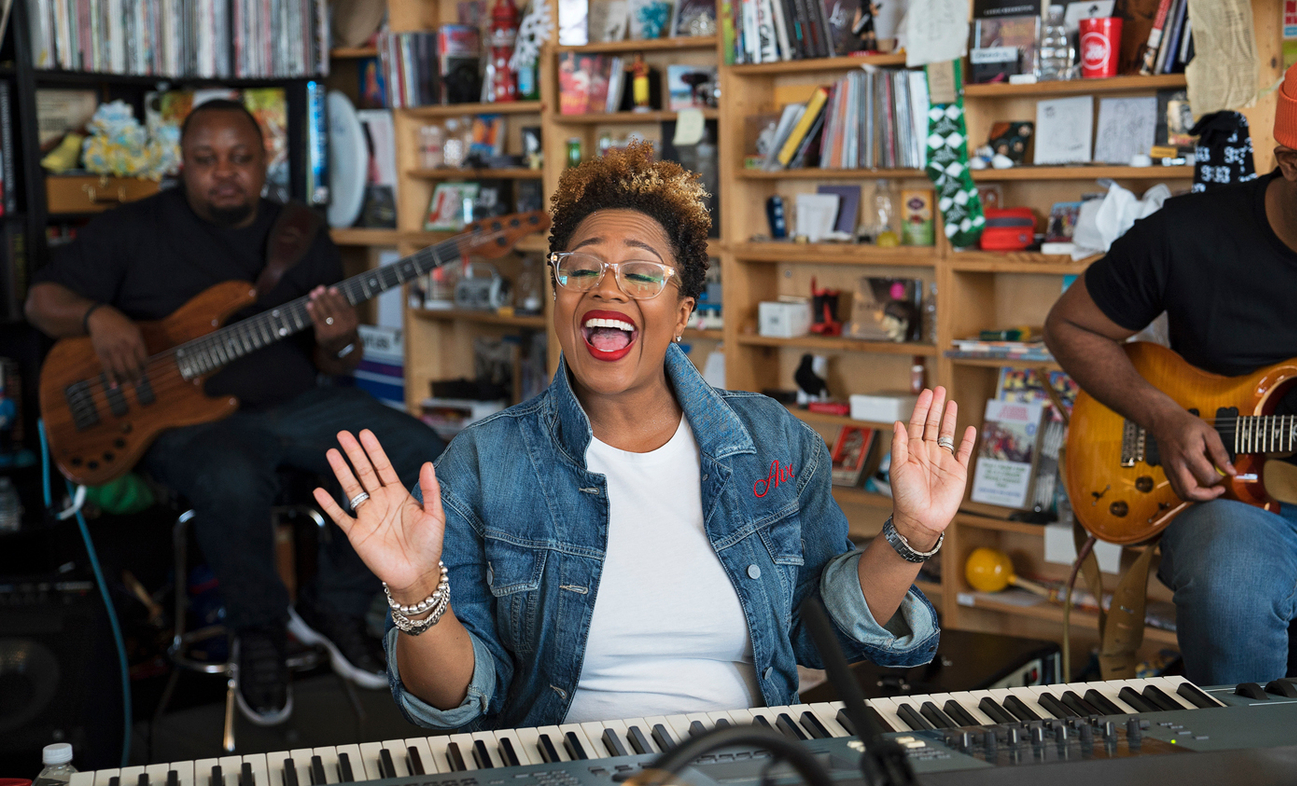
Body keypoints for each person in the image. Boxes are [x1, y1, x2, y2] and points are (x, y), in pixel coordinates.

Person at [316, 142, 976, 730]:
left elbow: (821, 635)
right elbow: (459, 699)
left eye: (640, 271)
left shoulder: (774, 443)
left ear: (682, 313)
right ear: (558, 294)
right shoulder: (484, 464)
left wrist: (913, 534)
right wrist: (414, 595)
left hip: (748, 767)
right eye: (581, 268)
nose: (608, 286)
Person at [24, 99, 445, 725]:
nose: (224, 172)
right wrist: (97, 316)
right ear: (181, 163)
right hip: (189, 425)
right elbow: (40, 301)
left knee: (420, 451)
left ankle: (335, 603)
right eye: (206, 160)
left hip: (301, 404)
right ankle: (258, 634)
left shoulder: (298, 233)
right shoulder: (134, 229)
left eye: (240, 159)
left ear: (265, 160)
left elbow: (339, 362)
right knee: (231, 477)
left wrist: (338, 340)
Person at [1043, 24, 1297, 685]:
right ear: (1291, 160)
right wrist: (1161, 417)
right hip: (1240, 512)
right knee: (1229, 586)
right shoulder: (1187, 234)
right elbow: (1072, 326)